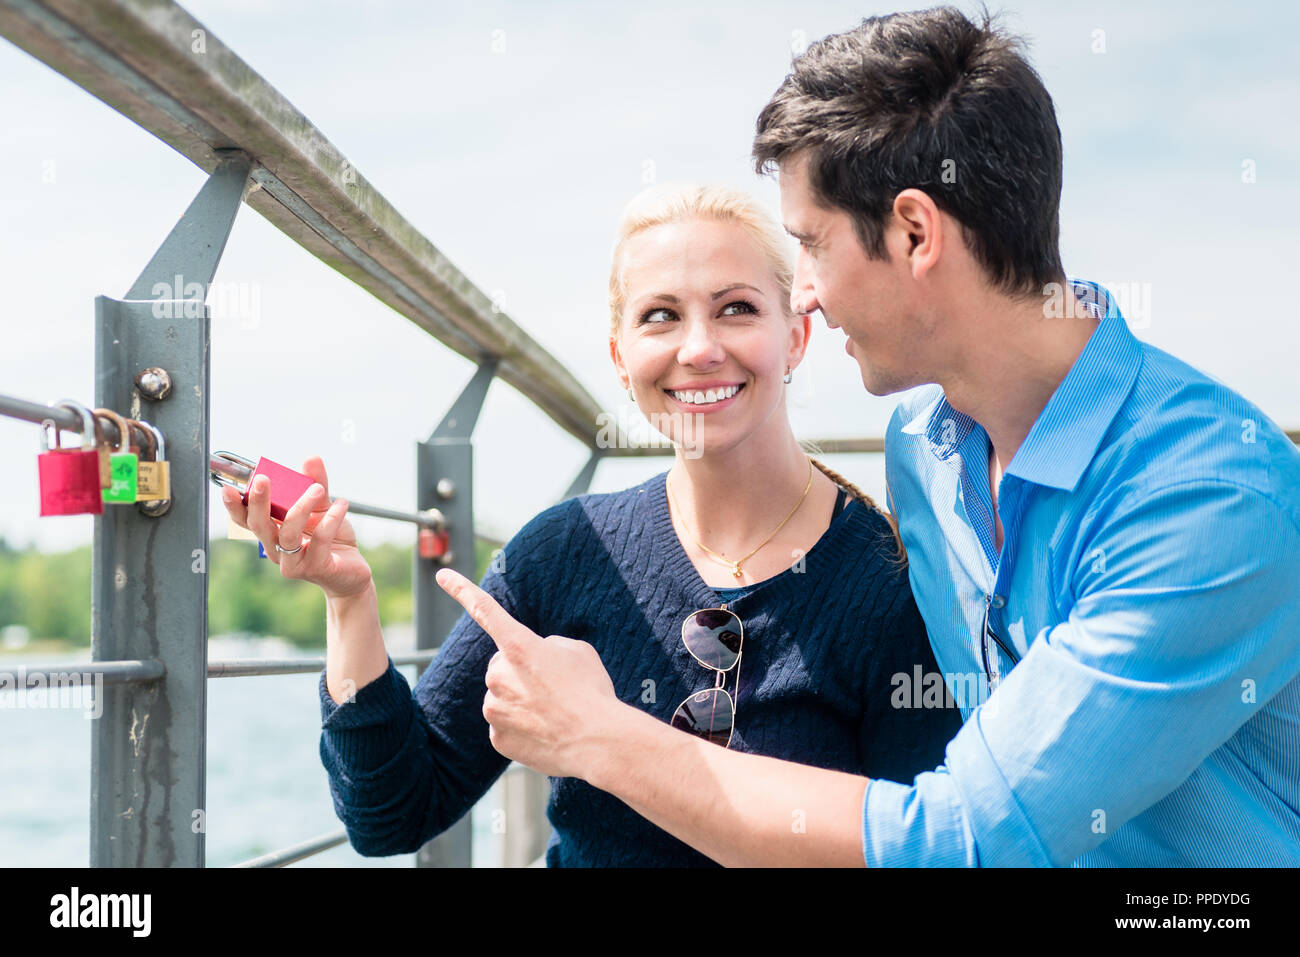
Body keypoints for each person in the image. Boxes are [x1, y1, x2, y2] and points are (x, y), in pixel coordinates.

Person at [436, 6, 1300, 867]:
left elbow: (961, 837)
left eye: (811, 245)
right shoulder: (922, 450)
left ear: (916, 233)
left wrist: (603, 738)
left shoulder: (1210, 495)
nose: (802, 291)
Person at [221, 182, 962, 867]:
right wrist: (349, 601)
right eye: (660, 316)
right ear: (619, 357)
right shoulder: (564, 551)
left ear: (796, 335)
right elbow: (393, 812)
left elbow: (917, 845)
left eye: (736, 307)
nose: (699, 347)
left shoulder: (889, 578)